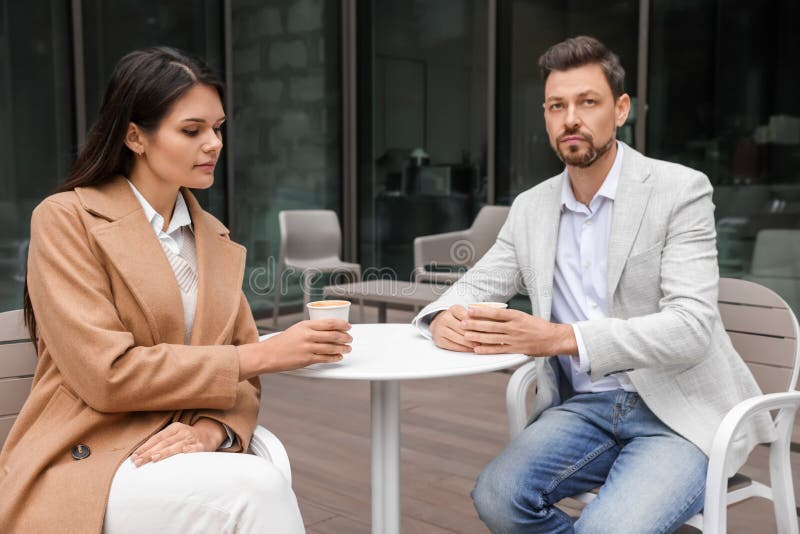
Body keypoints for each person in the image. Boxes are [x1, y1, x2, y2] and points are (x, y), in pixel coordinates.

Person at [412, 36, 774, 533]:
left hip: (678, 415)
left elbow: (690, 328)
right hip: (584, 409)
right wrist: (440, 318)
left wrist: (561, 338)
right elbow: (475, 286)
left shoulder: (679, 190)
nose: (571, 119)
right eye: (556, 106)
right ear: (545, 116)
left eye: (587, 102)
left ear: (620, 109)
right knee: (497, 497)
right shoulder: (531, 208)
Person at [0, 46, 353, 533]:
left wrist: (211, 432)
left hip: (181, 450)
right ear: (135, 137)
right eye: (191, 131)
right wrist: (265, 354)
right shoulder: (67, 220)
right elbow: (108, 374)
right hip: (87, 455)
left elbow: (243, 384)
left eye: (218, 128)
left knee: (256, 487)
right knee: (257, 491)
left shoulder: (214, 239)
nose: (213, 144)